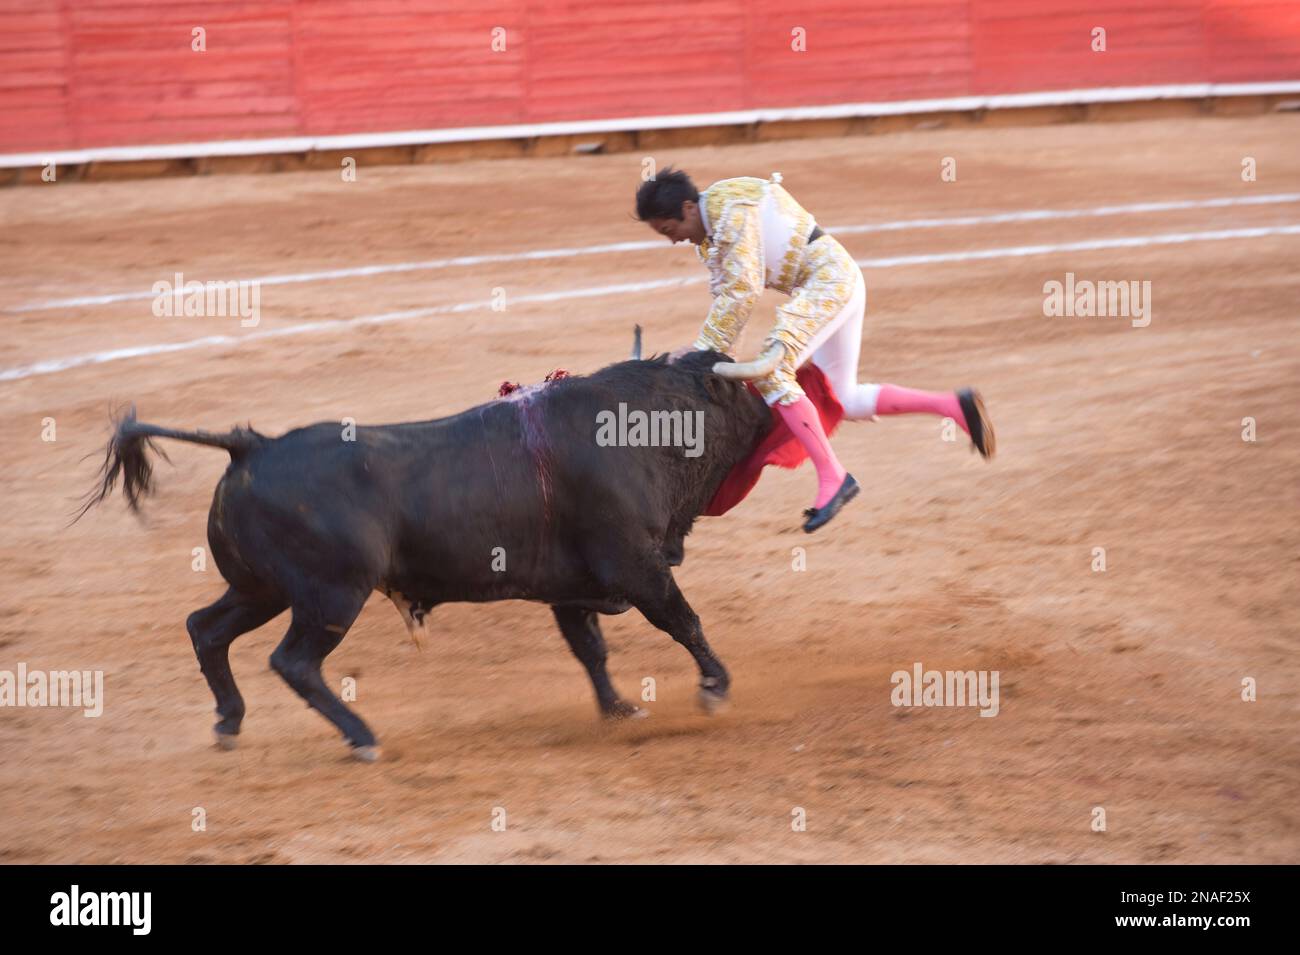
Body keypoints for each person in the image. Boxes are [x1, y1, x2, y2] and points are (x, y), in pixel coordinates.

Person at [635, 167, 994, 532]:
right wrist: (710, 356)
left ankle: (833, 477)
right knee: (844, 398)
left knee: (772, 370)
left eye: (669, 230)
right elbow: (730, 301)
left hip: (826, 284)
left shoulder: (730, 209)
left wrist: (703, 354)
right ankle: (952, 405)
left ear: (688, 208)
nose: (673, 240)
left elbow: (742, 291)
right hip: (837, 279)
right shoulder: (714, 229)